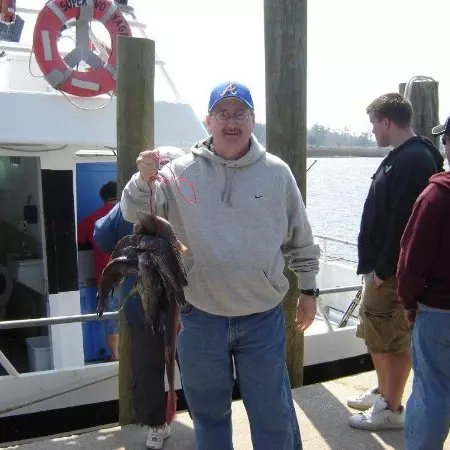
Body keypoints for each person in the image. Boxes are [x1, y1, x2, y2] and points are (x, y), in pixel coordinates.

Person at [120, 81, 320, 449]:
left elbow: (300, 238)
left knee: (272, 415)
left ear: (252, 119)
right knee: (208, 417)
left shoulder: (277, 173)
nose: (232, 122)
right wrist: (142, 178)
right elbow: (134, 212)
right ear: (208, 121)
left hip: (262, 318)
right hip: (197, 318)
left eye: (240, 113)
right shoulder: (177, 170)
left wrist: (308, 288)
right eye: (223, 114)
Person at [347, 93, 444, 430]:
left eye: (374, 123)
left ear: (387, 122)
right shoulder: (401, 156)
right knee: (376, 333)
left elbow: (405, 221)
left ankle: (391, 406)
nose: (373, 130)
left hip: (387, 272)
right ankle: (384, 392)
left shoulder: (414, 160)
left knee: (390, 336)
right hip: (378, 268)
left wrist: (386, 268)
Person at [94, 147, 186, 450]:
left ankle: (204, 417)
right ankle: (158, 424)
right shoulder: (131, 204)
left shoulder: (190, 208)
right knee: (148, 371)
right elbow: (103, 237)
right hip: (145, 305)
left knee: (200, 367)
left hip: (189, 306)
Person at [396, 117, 450, 449]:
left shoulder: (436, 196)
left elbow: (410, 261)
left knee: (432, 392)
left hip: (439, 313)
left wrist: (409, 303)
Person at [78, 180, 120, 360]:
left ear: (103, 198)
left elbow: (80, 241)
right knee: (135, 317)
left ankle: (115, 357)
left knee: (111, 319)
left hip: (106, 278)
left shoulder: (92, 218)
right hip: (133, 276)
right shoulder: (132, 215)